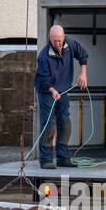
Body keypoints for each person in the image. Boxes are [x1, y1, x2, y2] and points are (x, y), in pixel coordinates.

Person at [33, 24, 89, 169]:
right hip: (47, 92)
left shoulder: (70, 45)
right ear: (49, 39)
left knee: (65, 123)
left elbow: (83, 55)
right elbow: (43, 79)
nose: (57, 43)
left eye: (59, 40)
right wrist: (52, 90)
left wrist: (83, 74)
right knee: (49, 124)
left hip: (63, 91)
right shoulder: (44, 56)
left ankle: (62, 157)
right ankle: (45, 159)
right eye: (54, 40)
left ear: (64, 37)